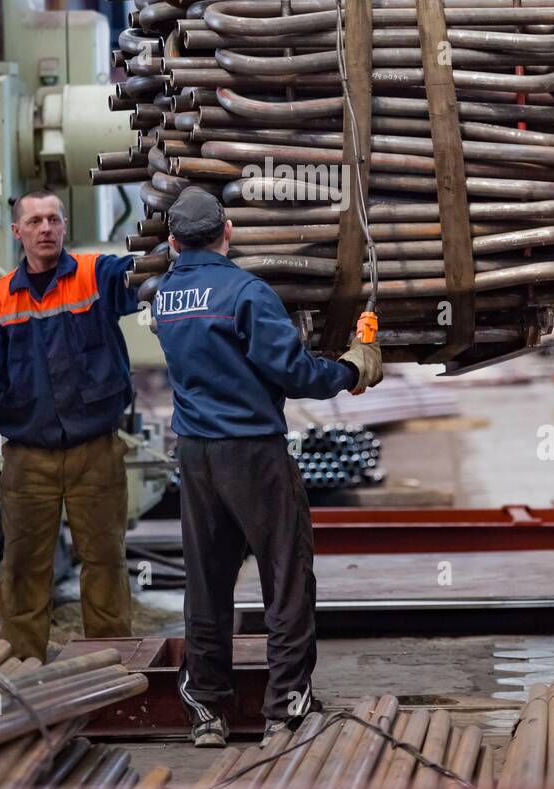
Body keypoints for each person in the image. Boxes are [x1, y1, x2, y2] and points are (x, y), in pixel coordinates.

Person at [154, 185, 383, 748]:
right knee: (285, 576)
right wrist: (353, 368)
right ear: (227, 232)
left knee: (207, 583)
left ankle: (208, 711)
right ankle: (286, 707)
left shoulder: (163, 297)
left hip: (196, 458)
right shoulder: (246, 293)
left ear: (172, 241)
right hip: (252, 453)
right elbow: (293, 373)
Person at [0, 191, 139, 661]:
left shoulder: (95, 275)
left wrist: (165, 240)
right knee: (21, 570)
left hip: (95, 452)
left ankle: (109, 669)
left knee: (104, 563)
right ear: (17, 231)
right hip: (27, 459)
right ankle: (23, 673)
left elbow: (140, 277)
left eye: (54, 219)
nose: (46, 229)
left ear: (64, 226)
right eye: (35, 221)